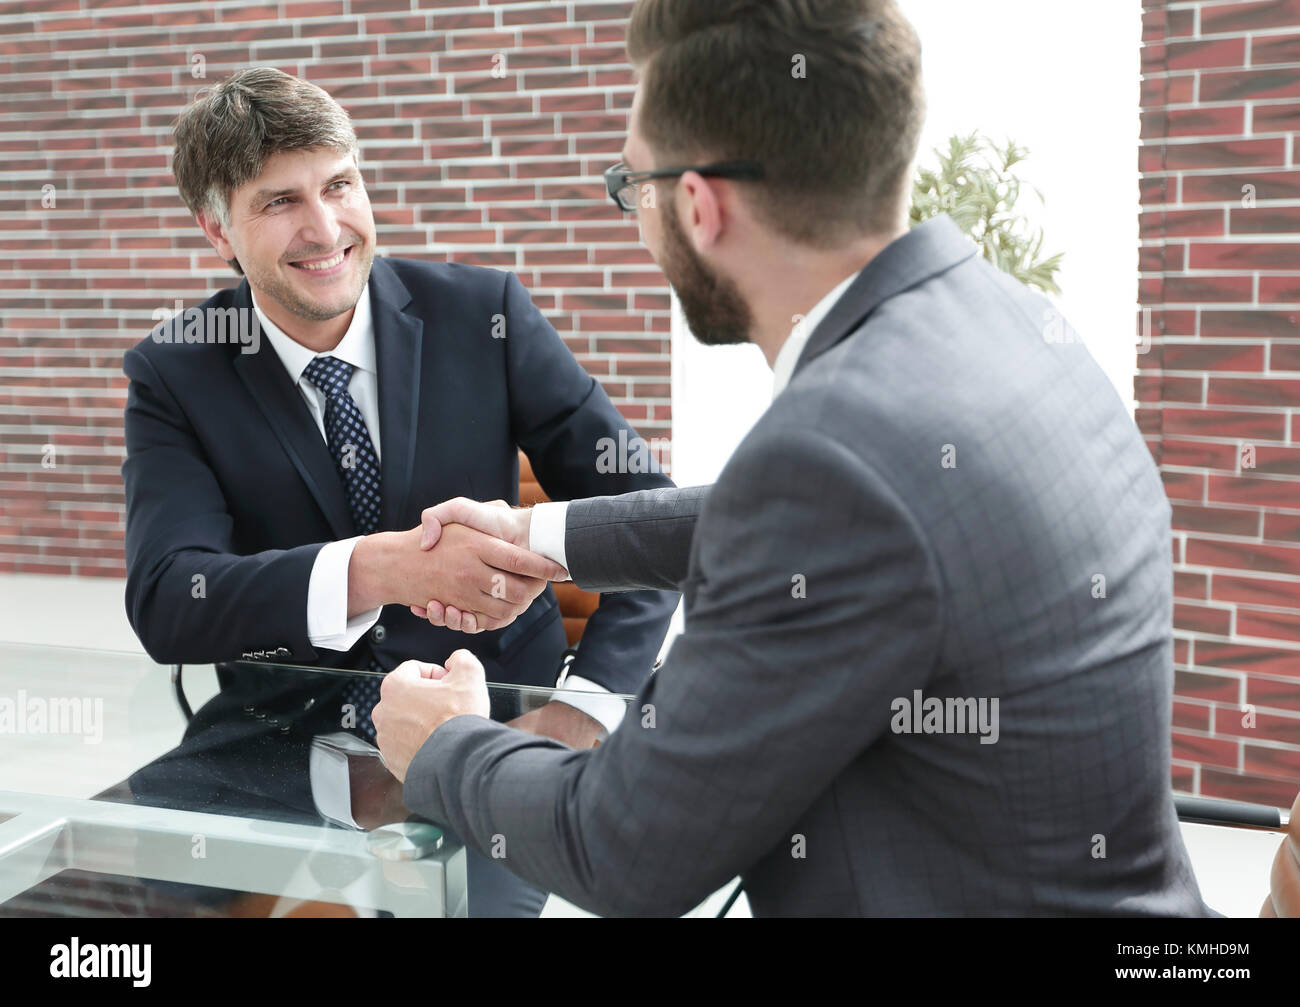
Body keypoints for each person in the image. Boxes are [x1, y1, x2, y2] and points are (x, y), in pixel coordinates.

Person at [373, 0, 1213, 917]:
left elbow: (620, 847)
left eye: (631, 184)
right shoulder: (1009, 320)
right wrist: (540, 534)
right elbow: (821, 519)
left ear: (698, 204)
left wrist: (446, 743)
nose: (633, 212)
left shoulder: (832, 456)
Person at [120, 67, 678, 916]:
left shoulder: (485, 315)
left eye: (340, 184)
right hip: (275, 739)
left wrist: (582, 713)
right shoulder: (176, 371)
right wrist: (375, 569)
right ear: (216, 228)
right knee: (85, 909)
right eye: (279, 202)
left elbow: (648, 521)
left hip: (485, 733)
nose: (325, 228)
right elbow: (168, 599)